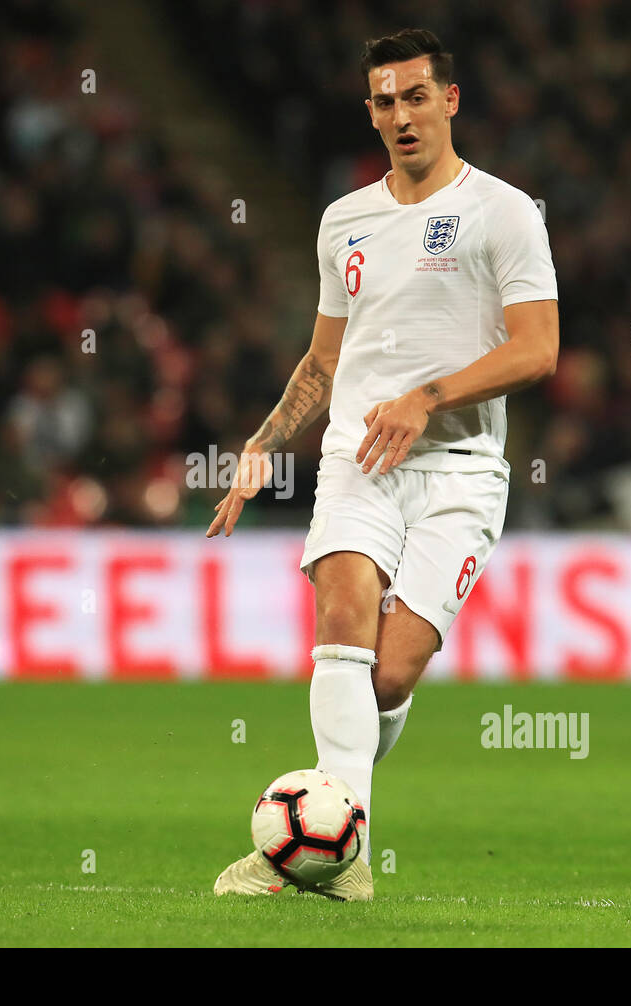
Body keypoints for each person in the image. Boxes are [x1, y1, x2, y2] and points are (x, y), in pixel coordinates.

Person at [210, 28, 559, 900]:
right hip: (357, 456)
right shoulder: (345, 222)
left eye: (414, 96)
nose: (399, 115)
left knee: (390, 671)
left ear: (449, 99)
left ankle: (322, 826)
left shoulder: (506, 212)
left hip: (461, 470)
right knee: (342, 610)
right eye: (382, 100)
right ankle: (338, 857)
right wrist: (262, 444)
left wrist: (428, 395)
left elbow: (540, 350)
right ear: (368, 112)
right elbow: (325, 361)